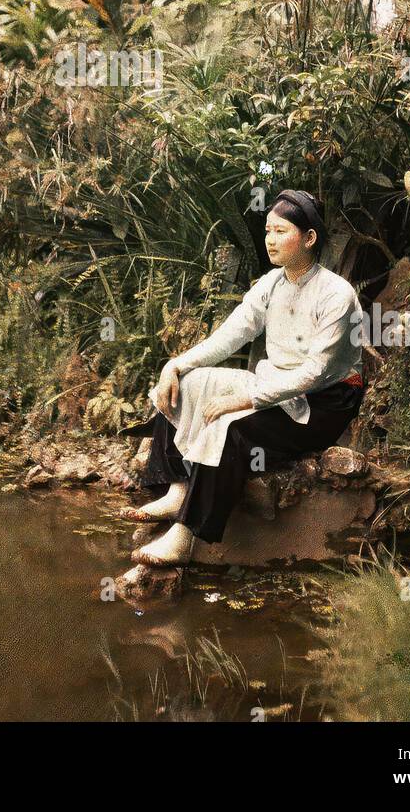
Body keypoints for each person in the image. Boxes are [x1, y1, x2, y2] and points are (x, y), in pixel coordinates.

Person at [123, 189, 365, 568]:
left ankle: (186, 535)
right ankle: (177, 487)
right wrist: (177, 364)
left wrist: (248, 400)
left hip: (324, 403)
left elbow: (315, 371)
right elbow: (231, 335)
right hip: (275, 385)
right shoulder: (271, 284)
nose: (269, 239)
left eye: (280, 230)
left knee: (232, 428)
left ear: (309, 238)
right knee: (188, 384)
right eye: (267, 229)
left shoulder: (337, 294)